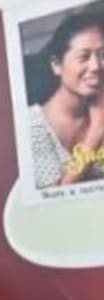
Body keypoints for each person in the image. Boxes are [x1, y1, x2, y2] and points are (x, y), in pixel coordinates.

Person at [29, 12, 104, 189]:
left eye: (102, 55)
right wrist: (95, 132)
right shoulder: (34, 126)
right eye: (83, 57)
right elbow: (54, 201)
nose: (96, 66)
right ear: (56, 65)